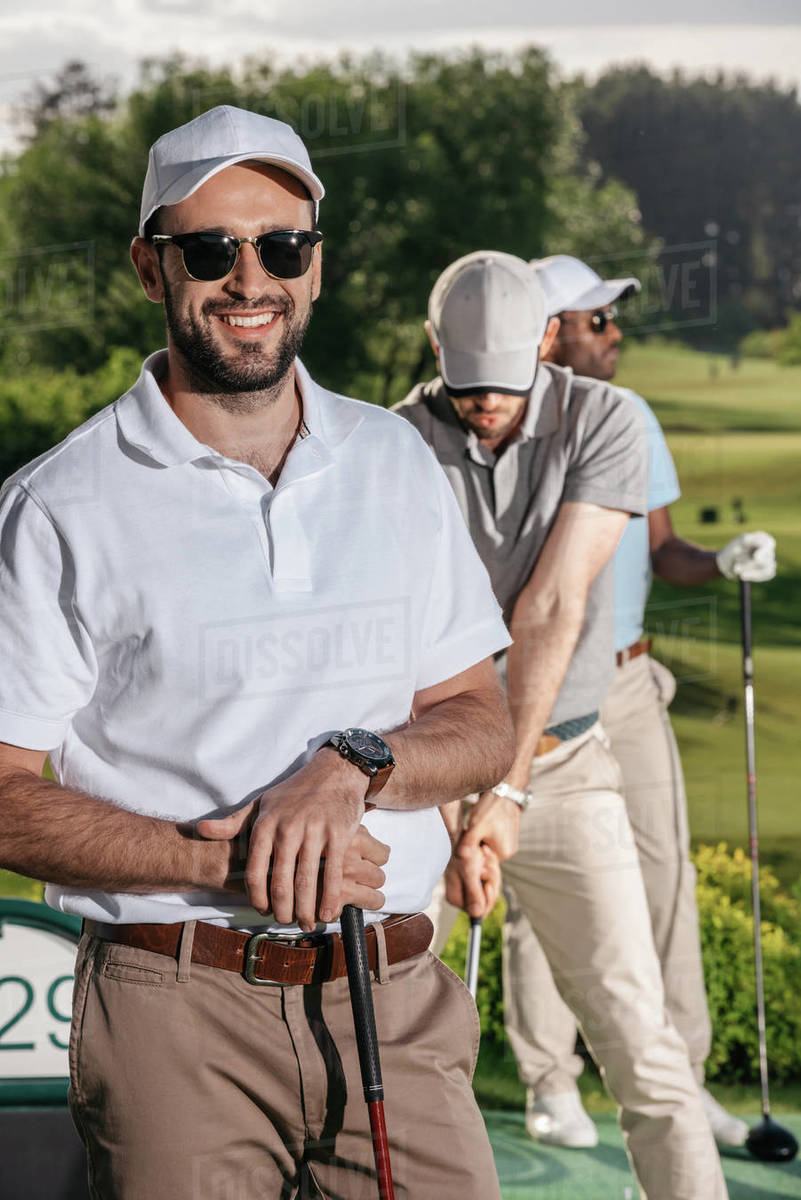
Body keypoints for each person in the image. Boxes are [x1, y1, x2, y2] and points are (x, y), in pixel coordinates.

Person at [0, 106, 517, 1200]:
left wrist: (355, 764)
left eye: (282, 246)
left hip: (395, 995)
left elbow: (481, 720)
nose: (251, 278)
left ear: (315, 268)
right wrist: (222, 862)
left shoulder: (395, 462)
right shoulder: (56, 505)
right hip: (171, 1009)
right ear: (151, 267)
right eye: (210, 249)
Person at [394, 250, 730, 1200]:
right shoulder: (392, 441)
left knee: (641, 1045)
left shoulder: (606, 419)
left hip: (562, 764)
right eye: (465, 387)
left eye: (504, 385)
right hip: (422, 778)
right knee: (384, 1034)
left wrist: (503, 790)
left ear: (547, 340)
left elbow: (549, 609)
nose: (485, 405)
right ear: (434, 351)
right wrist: (455, 796)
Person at [504, 252, 776, 1149]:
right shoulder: (510, 432)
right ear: (549, 334)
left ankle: (682, 1079)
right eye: (598, 321)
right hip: (533, 696)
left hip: (627, 681)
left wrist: (723, 559)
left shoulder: (631, 417)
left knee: (664, 875)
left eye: (613, 321)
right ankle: (551, 1083)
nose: (615, 335)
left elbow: (662, 552)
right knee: (539, 885)